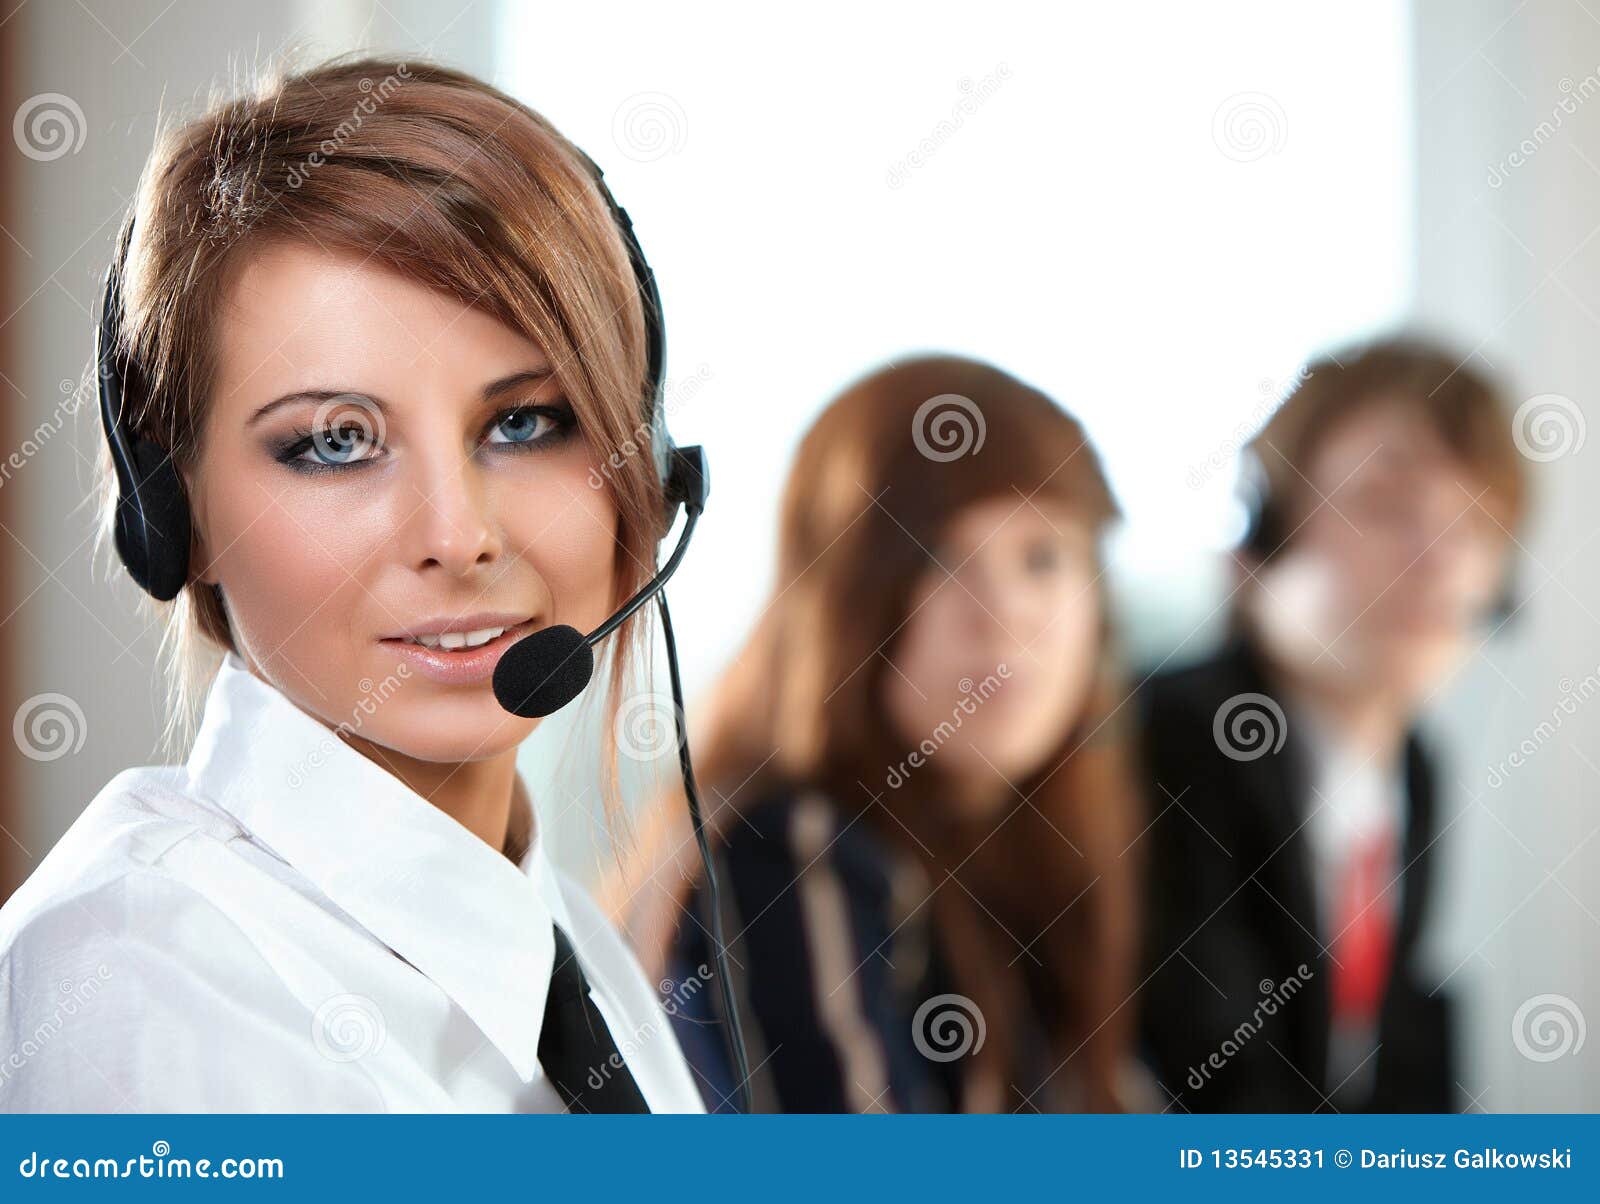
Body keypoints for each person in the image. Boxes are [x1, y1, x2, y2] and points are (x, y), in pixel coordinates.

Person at [0, 57, 703, 1113]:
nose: (458, 537)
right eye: (335, 441)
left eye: (524, 423)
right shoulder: (144, 983)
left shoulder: (568, 953)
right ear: (173, 508)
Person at [609, 355, 1149, 1113]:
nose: (1006, 612)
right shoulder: (792, 849)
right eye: (940, 559)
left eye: (1043, 558)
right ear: (844, 600)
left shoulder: (1029, 847)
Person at [1137, 335, 1528, 1113]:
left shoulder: (1411, 764)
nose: (1439, 559)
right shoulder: (1170, 744)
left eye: (1474, 521)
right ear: (1262, 540)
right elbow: (1222, 1098)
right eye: (1386, 507)